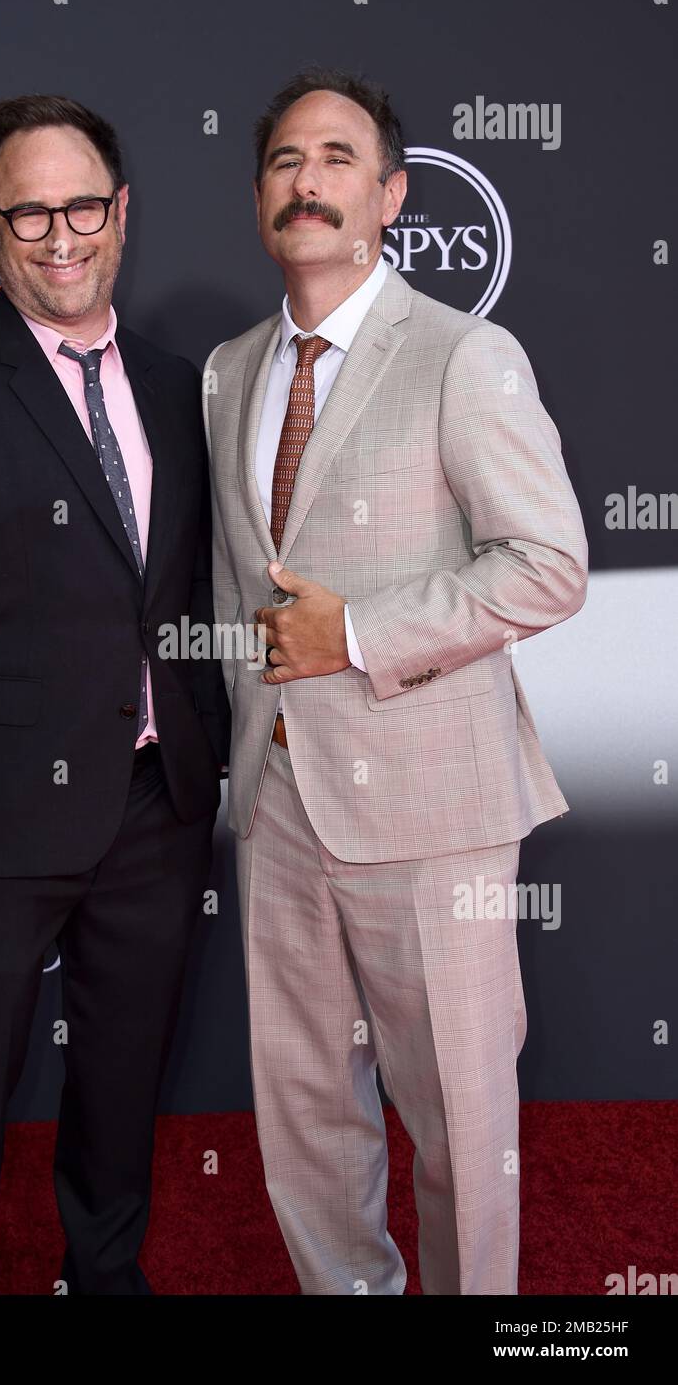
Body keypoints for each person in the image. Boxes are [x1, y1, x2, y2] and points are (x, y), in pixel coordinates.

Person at [203, 67, 588, 1295]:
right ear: (260, 194)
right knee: (309, 1120)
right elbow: (230, 590)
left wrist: (356, 633)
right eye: (282, 162)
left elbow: (548, 564)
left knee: (463, 1127)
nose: (304, 181)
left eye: (335, 158)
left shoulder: (465, 353)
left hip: (433, 811)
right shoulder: (228, 370)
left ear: (390, 196)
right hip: (276, 808)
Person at [0, 93, 229, 1295]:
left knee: (123, 1093)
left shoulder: (183, 387)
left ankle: (103, 1283)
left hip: (154, 806)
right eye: (31, 211)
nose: (60, 234)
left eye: (84, 206)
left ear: (122, 215)